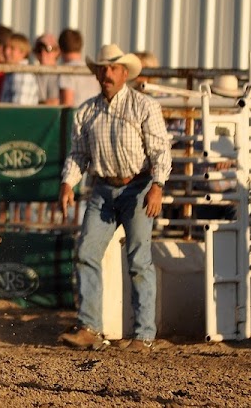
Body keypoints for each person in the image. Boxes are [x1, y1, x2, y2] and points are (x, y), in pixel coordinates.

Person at [57, 45, 173, 352]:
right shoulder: (86, 111)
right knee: (86, 252)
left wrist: (157, 186)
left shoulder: (143, 106)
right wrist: (68, 183)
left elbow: (160, 150)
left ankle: (144, 335)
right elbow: (80, 154)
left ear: (124, 73)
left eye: (113, 68)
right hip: (104, 188)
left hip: (138, 186)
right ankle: (90, 327)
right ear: (97, 73)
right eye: (103, 69)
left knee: (138, 259)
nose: (107, 74)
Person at [57, 29, 100, 107]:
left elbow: (67, 105)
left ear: (60, 48)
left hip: (78, 116)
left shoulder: (67, 71)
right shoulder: (91, 69)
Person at [0, 33, 40, 105]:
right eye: (5, 48)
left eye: (12, 48)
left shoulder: (22, 74)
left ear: (23, 52)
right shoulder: (14, 73)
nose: (6, 52)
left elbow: (19, 109)